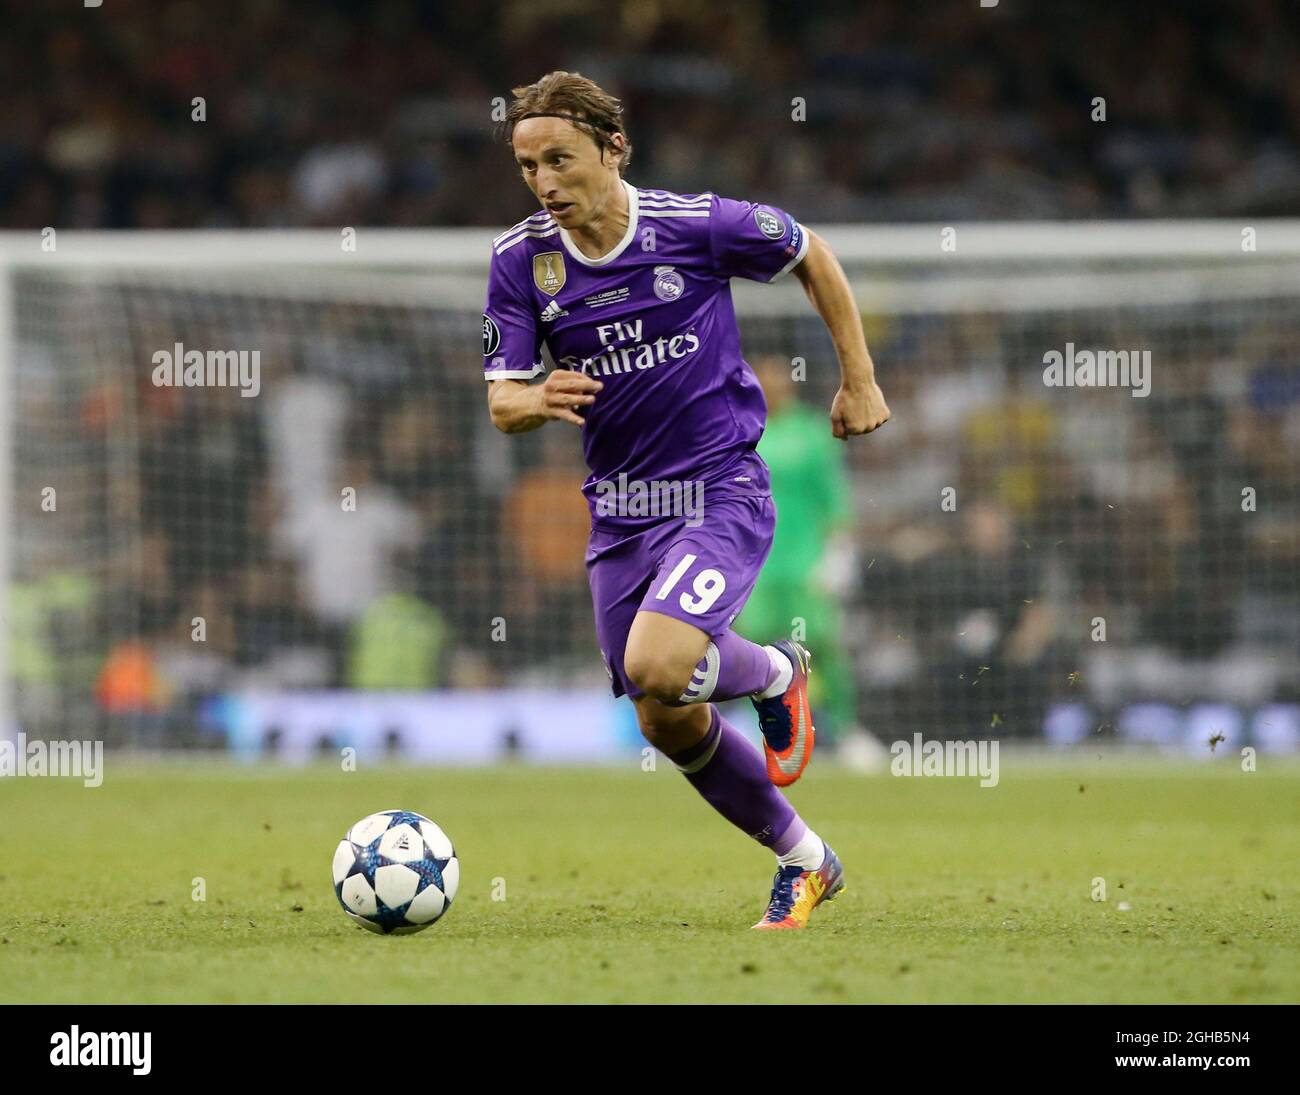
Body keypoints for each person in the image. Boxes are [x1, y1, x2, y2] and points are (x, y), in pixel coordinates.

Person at [482, 71, 889, 929]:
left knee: (660, 665)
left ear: (612, 148)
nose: (545, 182)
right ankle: (806, 858)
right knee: (665, 721)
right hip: (620, 510)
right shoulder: (522, 262)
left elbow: (810, 251)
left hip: (718, 491)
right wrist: (537, 399)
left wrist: (858, 378)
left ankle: (778, 672)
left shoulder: (695, 226)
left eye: (560, 158)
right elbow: (503, 402)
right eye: (528, 166)